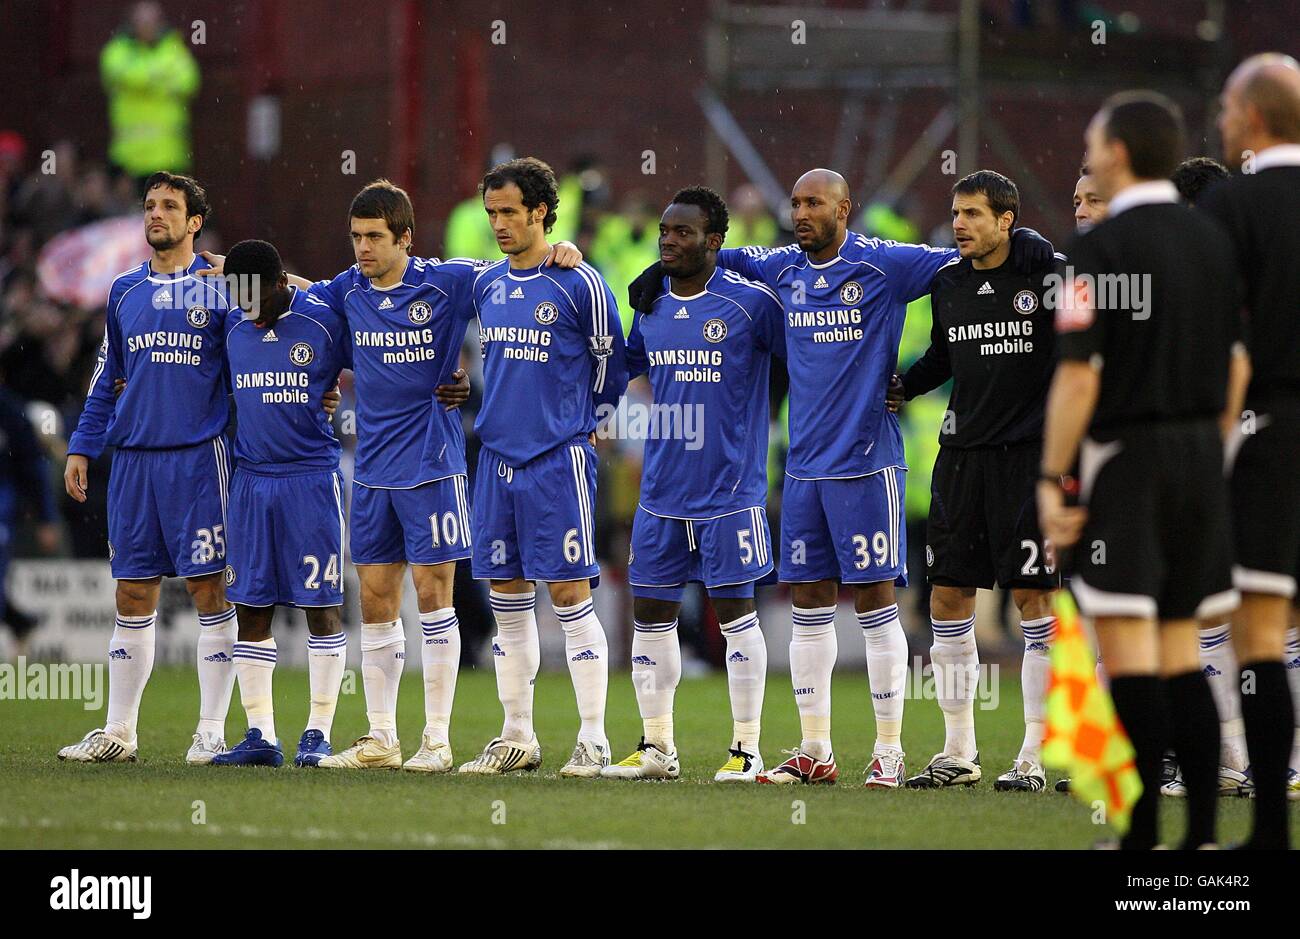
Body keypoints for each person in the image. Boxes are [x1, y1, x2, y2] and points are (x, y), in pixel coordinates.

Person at [632, 168, 1053, 787]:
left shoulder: (886, 265)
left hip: (867, 464)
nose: (800, 213)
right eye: (796, 202)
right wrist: (660, 271)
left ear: (845, 209)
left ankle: (889, 750)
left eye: (814, 203)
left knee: (876, 601)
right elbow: (717, 250)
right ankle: (815, 749)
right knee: (807, 601)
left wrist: (1028, 243)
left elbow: (966, 252)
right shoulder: (781, 269)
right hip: (802, 468)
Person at [1037, 90, 1248, 849]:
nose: (1089, 149)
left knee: (1129, 654)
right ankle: (1198, 839)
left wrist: (1052, 477)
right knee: (1183, 650)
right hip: (1197, 458)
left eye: (1095, 138)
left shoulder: (1095, 250)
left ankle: (1138, 834)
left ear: (1119, 151)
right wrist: (1209, 448)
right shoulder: (1214, 243)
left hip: (1127, 462)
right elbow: (1236, 365)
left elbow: (1078, 377)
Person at [888, 170, 1062, 792]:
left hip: (1029, 459)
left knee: (1033, 600)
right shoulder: (949, 284)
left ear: (1006, 220)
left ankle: (1033, 758)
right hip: (961, 460)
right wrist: (904, 385)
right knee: (948, 598)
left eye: (973, 214)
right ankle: (959, 751)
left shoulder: (1043, 274)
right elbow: (944, 353)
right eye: (955, 213)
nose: (958, 224)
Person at [57, 172, 238, 765]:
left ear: (194, 223)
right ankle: (119, 733)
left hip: (197, 459)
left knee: (208, 588)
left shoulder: (219, 291)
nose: (155, 214)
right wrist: (83, 444)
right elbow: (108, 378)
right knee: (133, 592)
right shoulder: (124, 290)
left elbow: (263, 347)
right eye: (150, 205)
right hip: (133, 461)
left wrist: (322, 395)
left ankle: (210, 730)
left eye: (169, 207)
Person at [604, 186, 783, 782]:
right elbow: (626, 364)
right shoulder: (649, 305)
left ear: (715, 241)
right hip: (661, 490)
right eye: (664, 231)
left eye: (683, 232)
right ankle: (657, 747)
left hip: (729, 491)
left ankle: (747, 748)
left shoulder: (752, 305)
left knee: (735, 613)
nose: (669, 241)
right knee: (650, 614)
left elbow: (800, 362)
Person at [459, 157, 628, 778]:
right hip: (495, 461)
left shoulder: (581, 283)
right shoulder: (485, 283)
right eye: (492, 213)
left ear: (541, 212)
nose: (499, 224)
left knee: (568, 595)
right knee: (506, 599)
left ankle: (592, 738)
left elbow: (613, 366)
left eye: (509, 212)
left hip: (557, 461)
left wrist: (586, 426)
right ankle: (517, 735)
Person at [1199, 51, 1300, 833]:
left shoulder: (1234, 208)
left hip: (1269, 437)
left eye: (1231, 106)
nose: (1224, 118)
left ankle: (1269, 819)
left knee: (1261, 630)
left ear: (1255, 118)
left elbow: (1224, 346)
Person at [207, 239, 352, 768]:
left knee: (320, 606)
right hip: (250, 480)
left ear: (280, 285)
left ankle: (317, 732)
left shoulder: (322, 319)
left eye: (254, 298)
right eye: (236, 296)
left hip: (309, 480)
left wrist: (448, 380)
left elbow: (382, 359)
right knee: (250, 604)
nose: (245, 308)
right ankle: (260, 735)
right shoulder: (231, 322)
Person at [100, 2, 200, 182]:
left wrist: (142, 79)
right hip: (127, 159)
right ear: (132, 22)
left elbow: (189, 82)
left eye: (151, 21)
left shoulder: (174, 48)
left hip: (168, 156)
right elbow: (123, 74)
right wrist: (160, 76)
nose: (146, 26)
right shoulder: (116, 51)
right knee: (129, 210)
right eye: (142, 21)